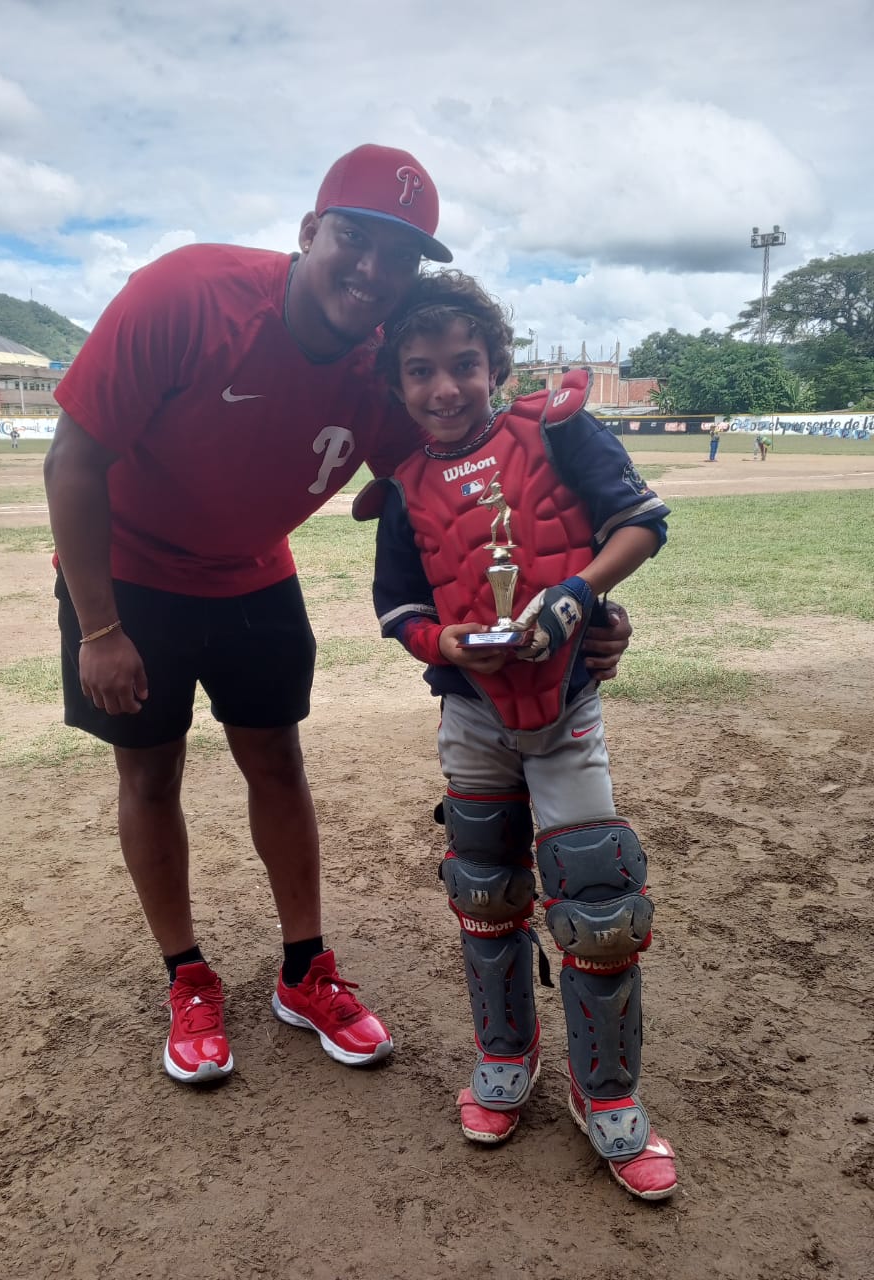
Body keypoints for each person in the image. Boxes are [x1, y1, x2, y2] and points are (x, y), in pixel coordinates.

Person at [42, 143, 633, 1092]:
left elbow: (483, 510)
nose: (373, 271)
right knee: (149, 772)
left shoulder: (385, 368)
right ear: (311, 231)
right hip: (130, 574)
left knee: (277, 759)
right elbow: (71, 459)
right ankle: (187, 974)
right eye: (355, 239)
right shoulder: (186, 294)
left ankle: (304, 966)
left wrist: (588, 607)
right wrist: (101, 627)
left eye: (400, 256)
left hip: (252, 577)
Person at [356, 270, 678, 1201]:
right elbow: (401, 609)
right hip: (470, 711)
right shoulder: (403, 489)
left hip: (565, 701)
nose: (444, 388)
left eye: (463, 365)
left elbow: (640, 522)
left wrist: (581, 598)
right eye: (420, 372)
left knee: (601, 903)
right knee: (486, 891)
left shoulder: (559, 431)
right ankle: (505, 1054)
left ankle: (607, 1093)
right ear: (398, 384)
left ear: (495, 362)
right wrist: (443, 640)